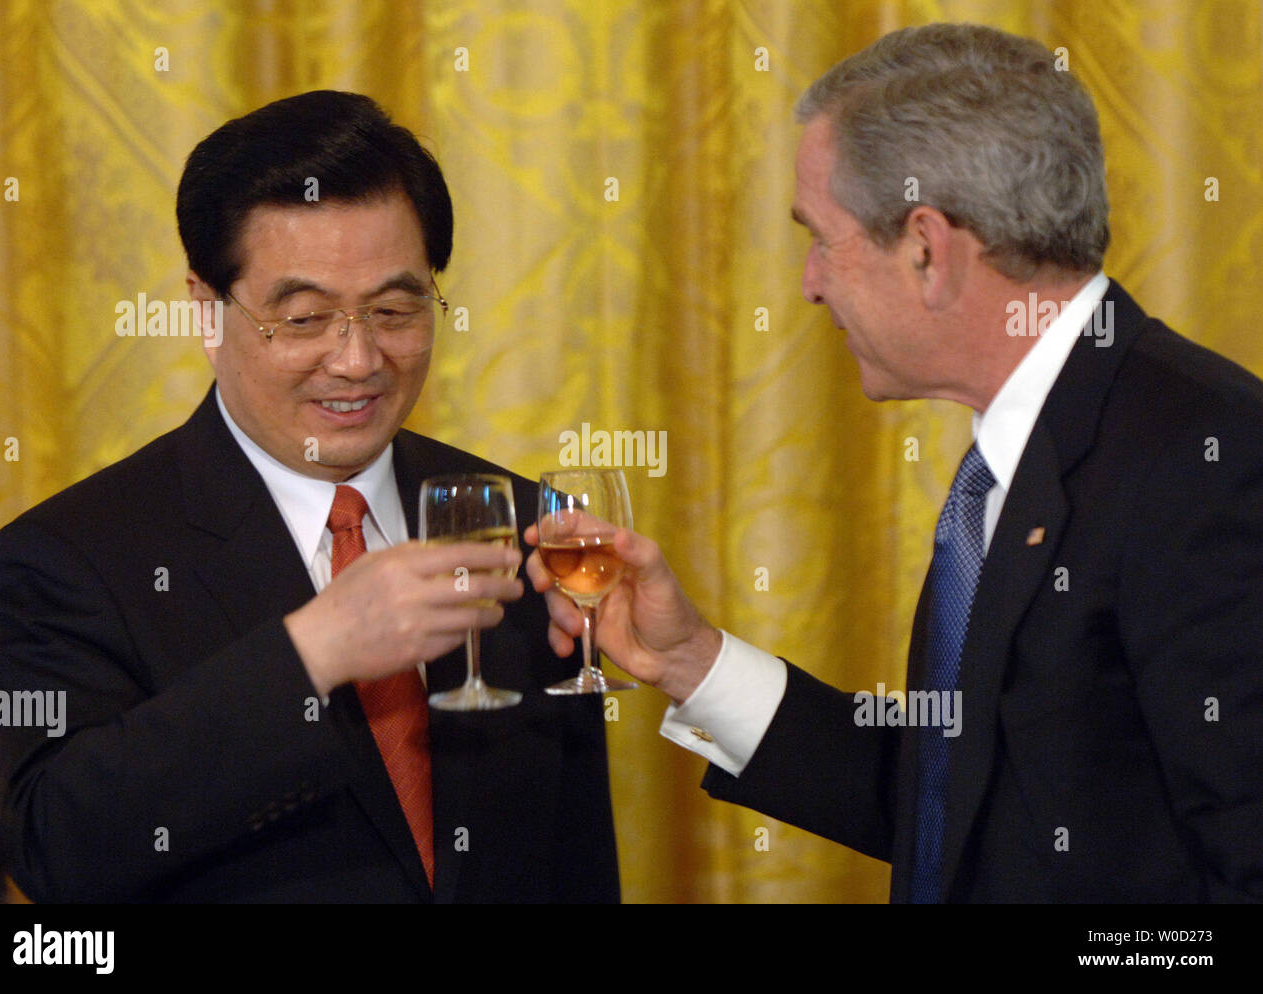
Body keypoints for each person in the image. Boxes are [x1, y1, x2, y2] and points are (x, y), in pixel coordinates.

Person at [527, 24, 1263, 902]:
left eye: (821, 238)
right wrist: (690, 659)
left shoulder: (1209, 460)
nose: (808, 283)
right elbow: (960, 806)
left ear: (926, 248)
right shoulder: (1029, 448)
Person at [0, 90, 618, 903]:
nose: (357, 360)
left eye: (394, 310)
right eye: (308, 318)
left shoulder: (523, 525)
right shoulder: (73, 555)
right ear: (207, 312)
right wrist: (311, 653)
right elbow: (53, 851)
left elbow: (576, 864)